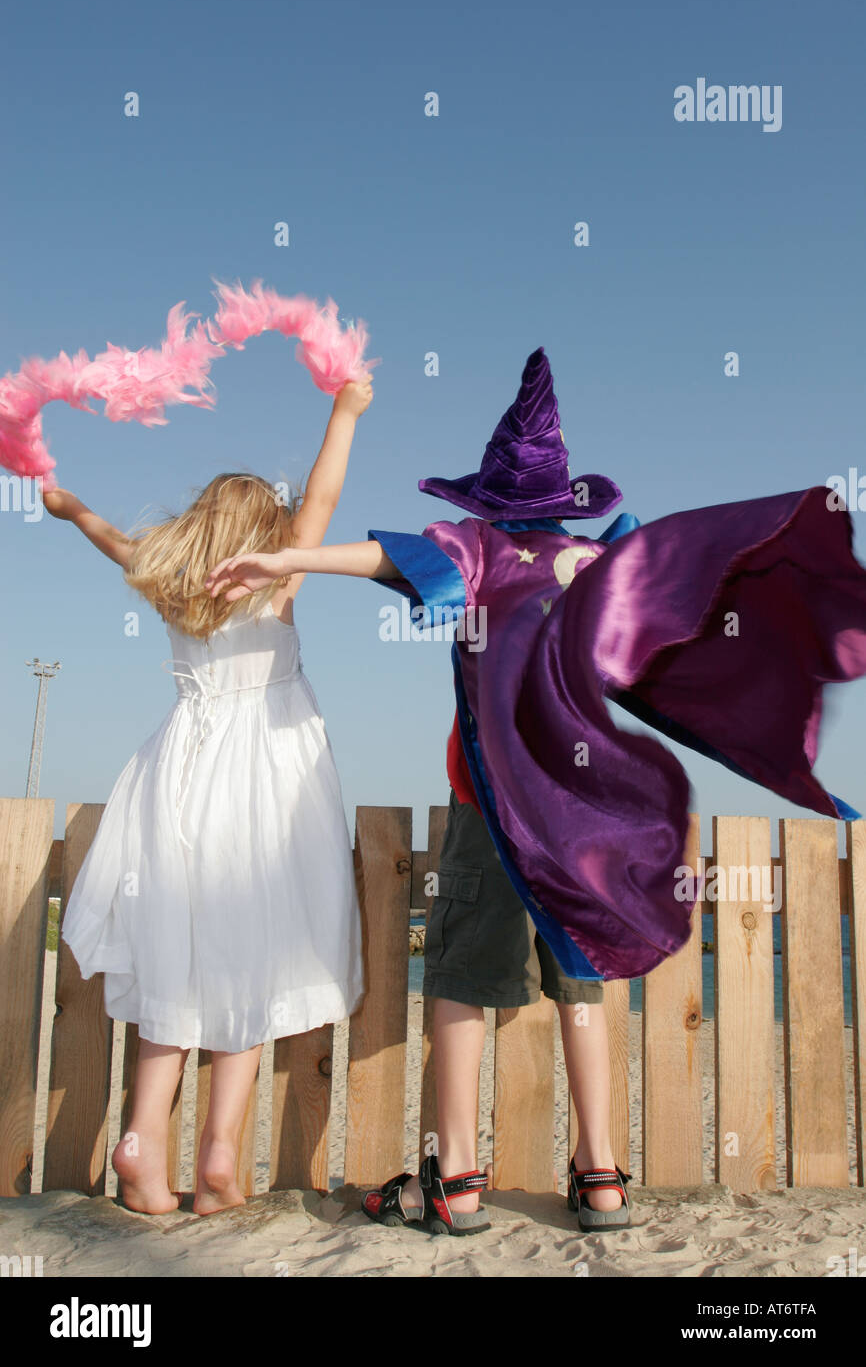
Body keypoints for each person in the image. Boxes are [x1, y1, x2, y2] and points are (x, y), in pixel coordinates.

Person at [206, 347, 866, 1232]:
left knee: (458, 983)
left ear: (490, 498)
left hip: (493, 810)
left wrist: (287, 560)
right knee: (583, 984)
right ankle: (600, 1179)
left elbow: (389, 557)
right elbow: (689, 612)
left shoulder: (477, 550)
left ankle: (459, 1185)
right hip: (589, 818)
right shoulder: (596, 566)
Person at [52, 373, 373, 1216]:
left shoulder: (168, 578)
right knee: (252, 962)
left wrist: (71, 509)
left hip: (177, 779)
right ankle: (221, 1156)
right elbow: (328, 492)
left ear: (196, 529)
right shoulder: (277, 580)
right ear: (267, 533)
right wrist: (344, 411)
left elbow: (113, 539)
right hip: (264, 781)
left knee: (174, 960)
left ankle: (139, 1141)